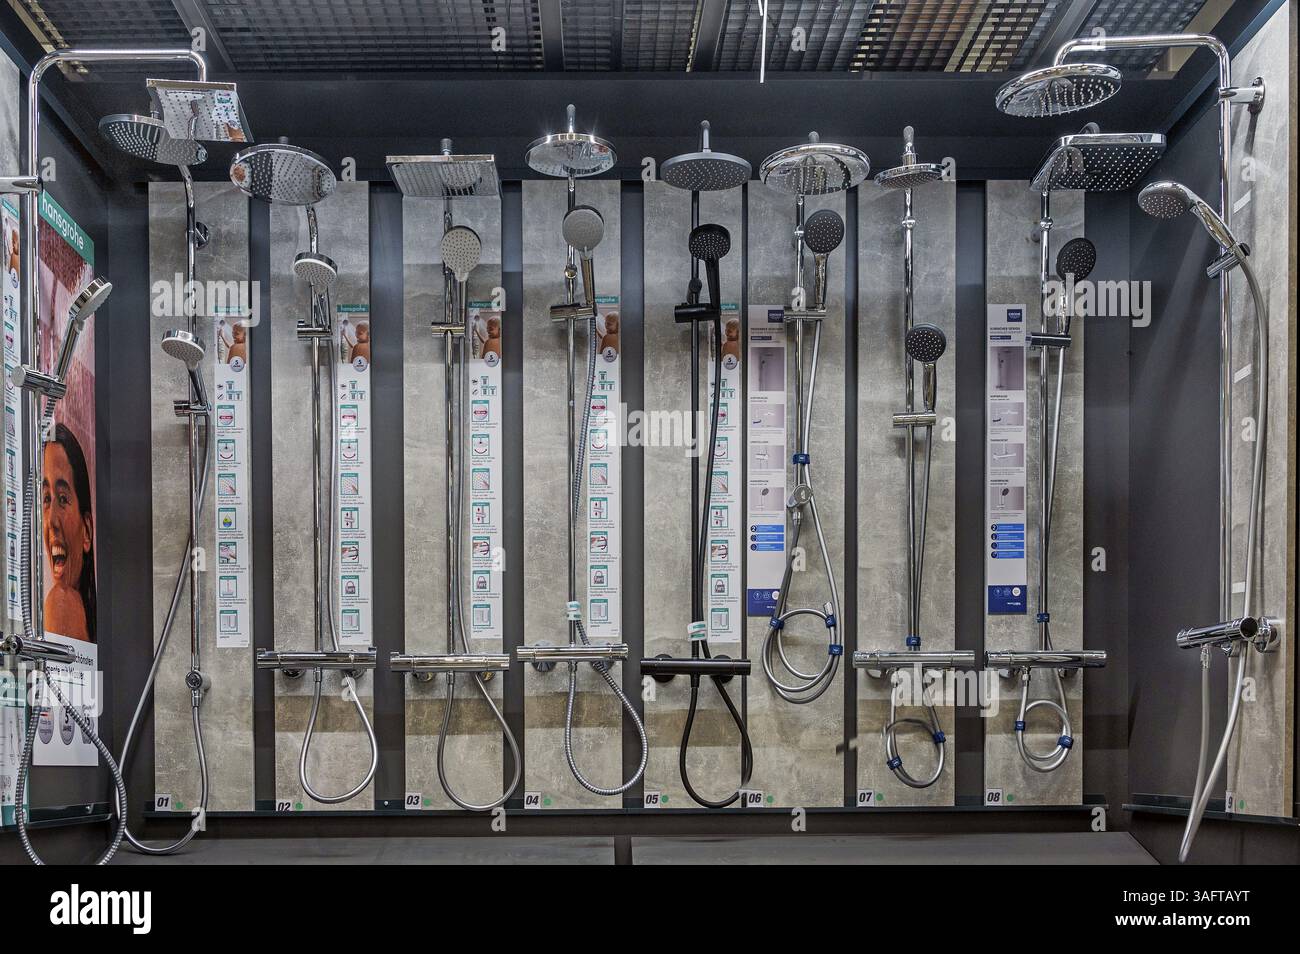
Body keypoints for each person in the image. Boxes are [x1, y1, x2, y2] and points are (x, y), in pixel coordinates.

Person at [42, 423, 95, 642]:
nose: (51, 520)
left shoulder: (61, 602)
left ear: (87, 532)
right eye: (46, 499)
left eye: (63, 499)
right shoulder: (91, 615)